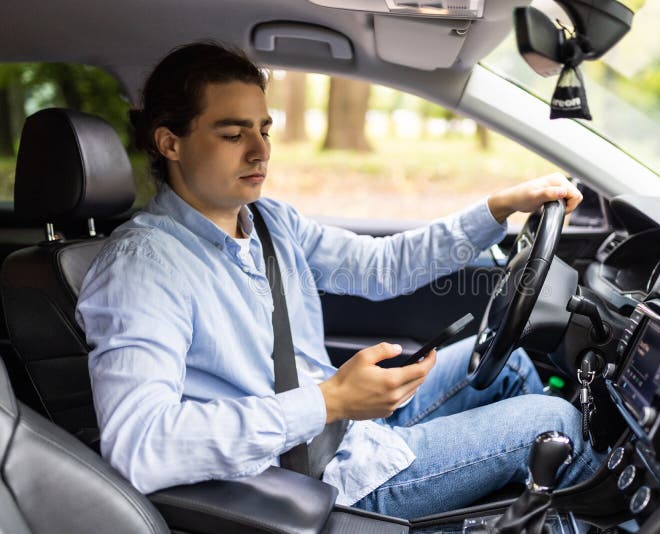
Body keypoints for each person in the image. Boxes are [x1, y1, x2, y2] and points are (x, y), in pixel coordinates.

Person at [76, 42, 600, 519]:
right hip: (315, 483)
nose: (260, 151)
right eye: (233, 134)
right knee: (550, 421)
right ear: (170, 143)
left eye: (264, 129)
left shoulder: (268, 222)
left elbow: (381, 267)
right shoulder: (142, 268)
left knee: (509, 364)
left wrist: (499, 207)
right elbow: (140, 447)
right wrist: (329, 402)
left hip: (350, 431)